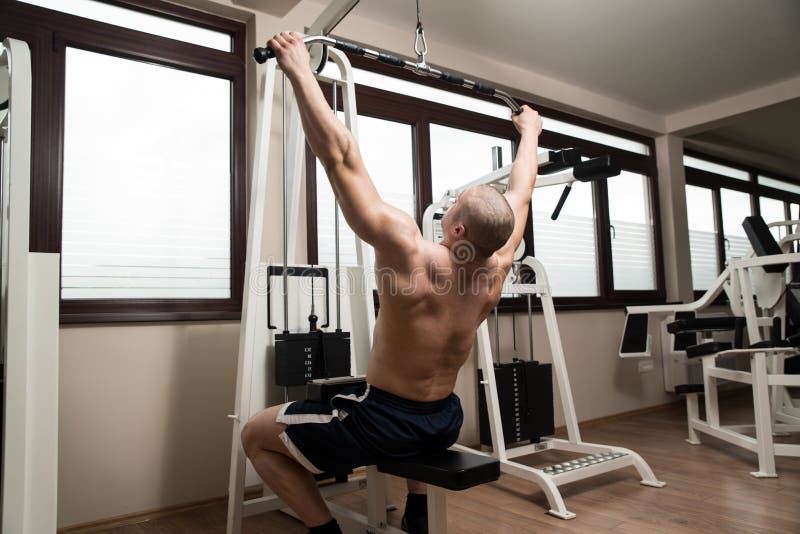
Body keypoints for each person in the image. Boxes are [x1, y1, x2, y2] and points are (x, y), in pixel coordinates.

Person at [241, 31, 543, 534]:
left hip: (382, 423)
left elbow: (339, 156)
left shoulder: (410, 252)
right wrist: (529, 133)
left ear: (457, 230)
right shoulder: (498, 265)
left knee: (254, 434)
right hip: (443, 418)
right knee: (405, 421)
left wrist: (298, 70)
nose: (448, 207)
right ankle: (417, 513)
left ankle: (325, 531)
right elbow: (522, 193)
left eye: (454, 207)